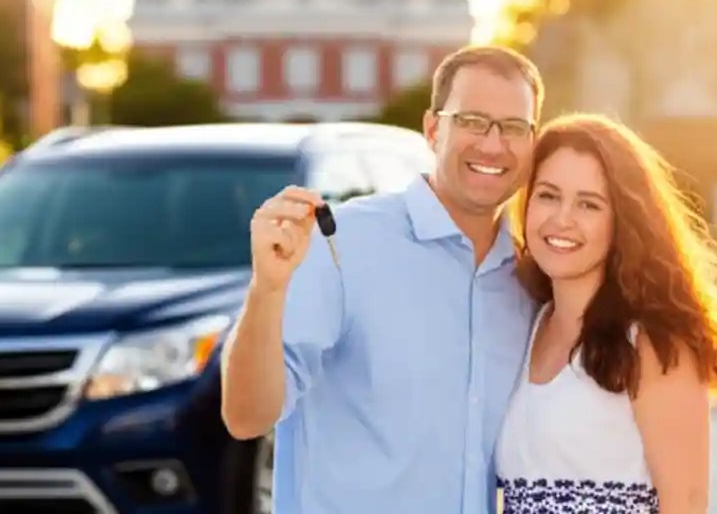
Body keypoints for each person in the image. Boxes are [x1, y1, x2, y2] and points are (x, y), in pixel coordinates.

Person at [220, 44, 545, 513]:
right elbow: (246, 416)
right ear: (433, 129)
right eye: (472, 121)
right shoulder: (339, 245)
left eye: (513, 127)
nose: (493, 144)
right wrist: (266, 290)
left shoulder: (531, 278)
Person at [494, 113, 717, 514]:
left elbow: (687, 503)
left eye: (588, 204)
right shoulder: (527, 323)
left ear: (621, 221)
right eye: (548, 195)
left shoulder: (653, 343)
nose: (562, 219)